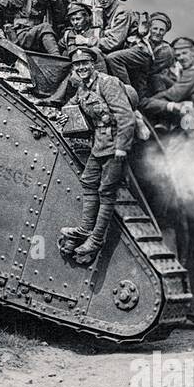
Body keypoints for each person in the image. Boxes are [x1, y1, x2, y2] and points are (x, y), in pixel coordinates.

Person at [57, 49, 136, 264]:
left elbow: (126, 118)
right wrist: (63, 115)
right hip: (99, 144)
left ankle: (96, 238)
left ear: (93, 64)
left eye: (85, 63)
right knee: (89, 181)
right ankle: (84, 229)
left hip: (114, 145)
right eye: (77, 65)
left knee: (106, 191)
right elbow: (70, 106)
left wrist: (122, 147)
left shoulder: (107, 83)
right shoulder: (83, 88)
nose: (81, 67)